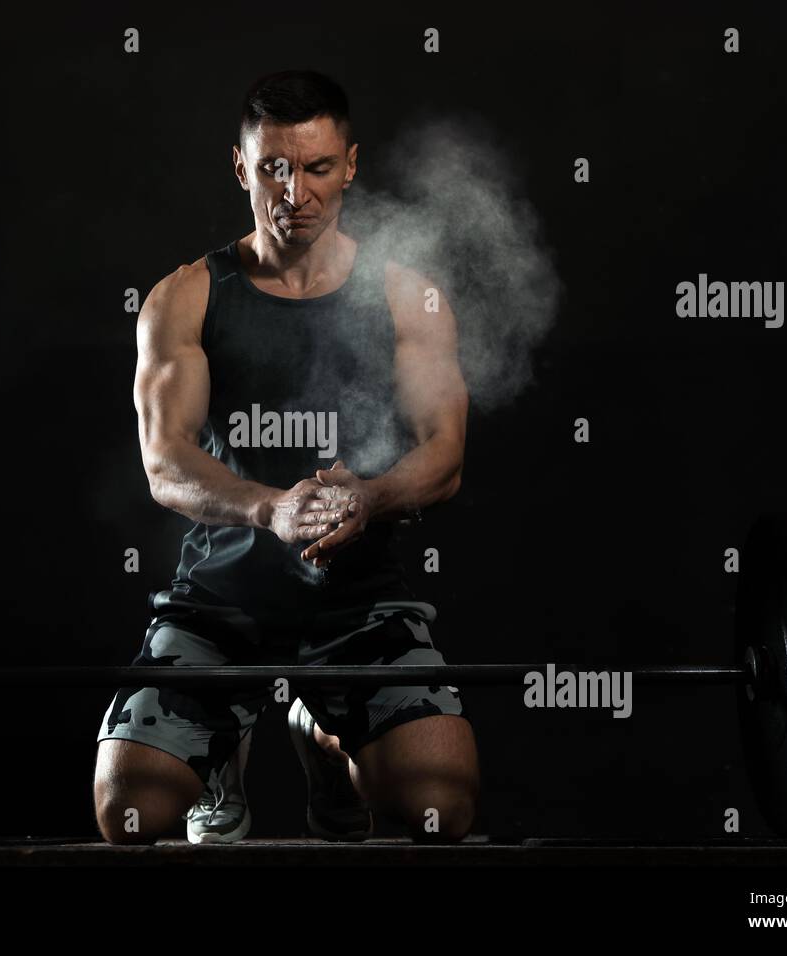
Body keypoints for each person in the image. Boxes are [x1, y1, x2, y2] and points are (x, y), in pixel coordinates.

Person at [94, 69, 479, 844]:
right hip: (221, 602)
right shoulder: (187, 296)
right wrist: (269, 508)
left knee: (442, 808)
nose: (294, 192)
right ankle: (217, 759)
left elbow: (445, 455)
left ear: (350, 166)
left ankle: (329, 742)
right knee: (127, 813)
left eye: (316, 167)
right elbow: (164, 460)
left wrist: (368, 498)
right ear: (242, 168)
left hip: (356, 603)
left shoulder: (406, 295)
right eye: (273, 167)